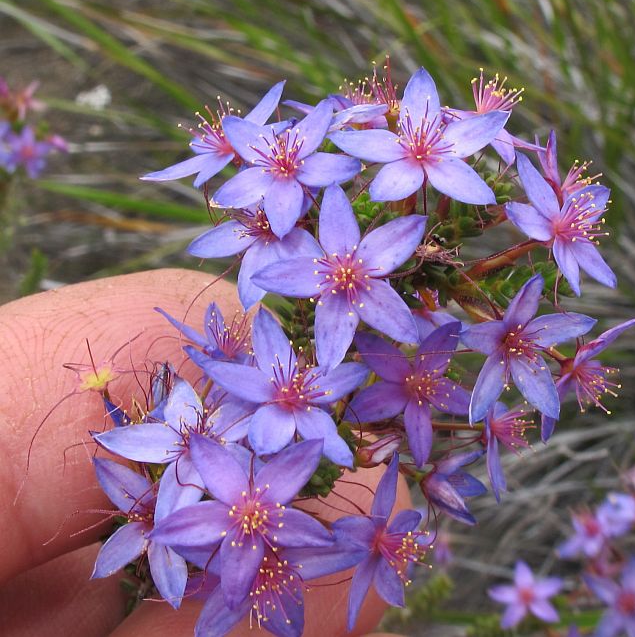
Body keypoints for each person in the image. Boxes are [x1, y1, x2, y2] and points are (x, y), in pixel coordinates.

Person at [0, 269, 406, 637]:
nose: (252, 515)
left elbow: (245, 456)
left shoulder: (241, 462)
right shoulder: (210, 453)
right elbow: (209, 451)